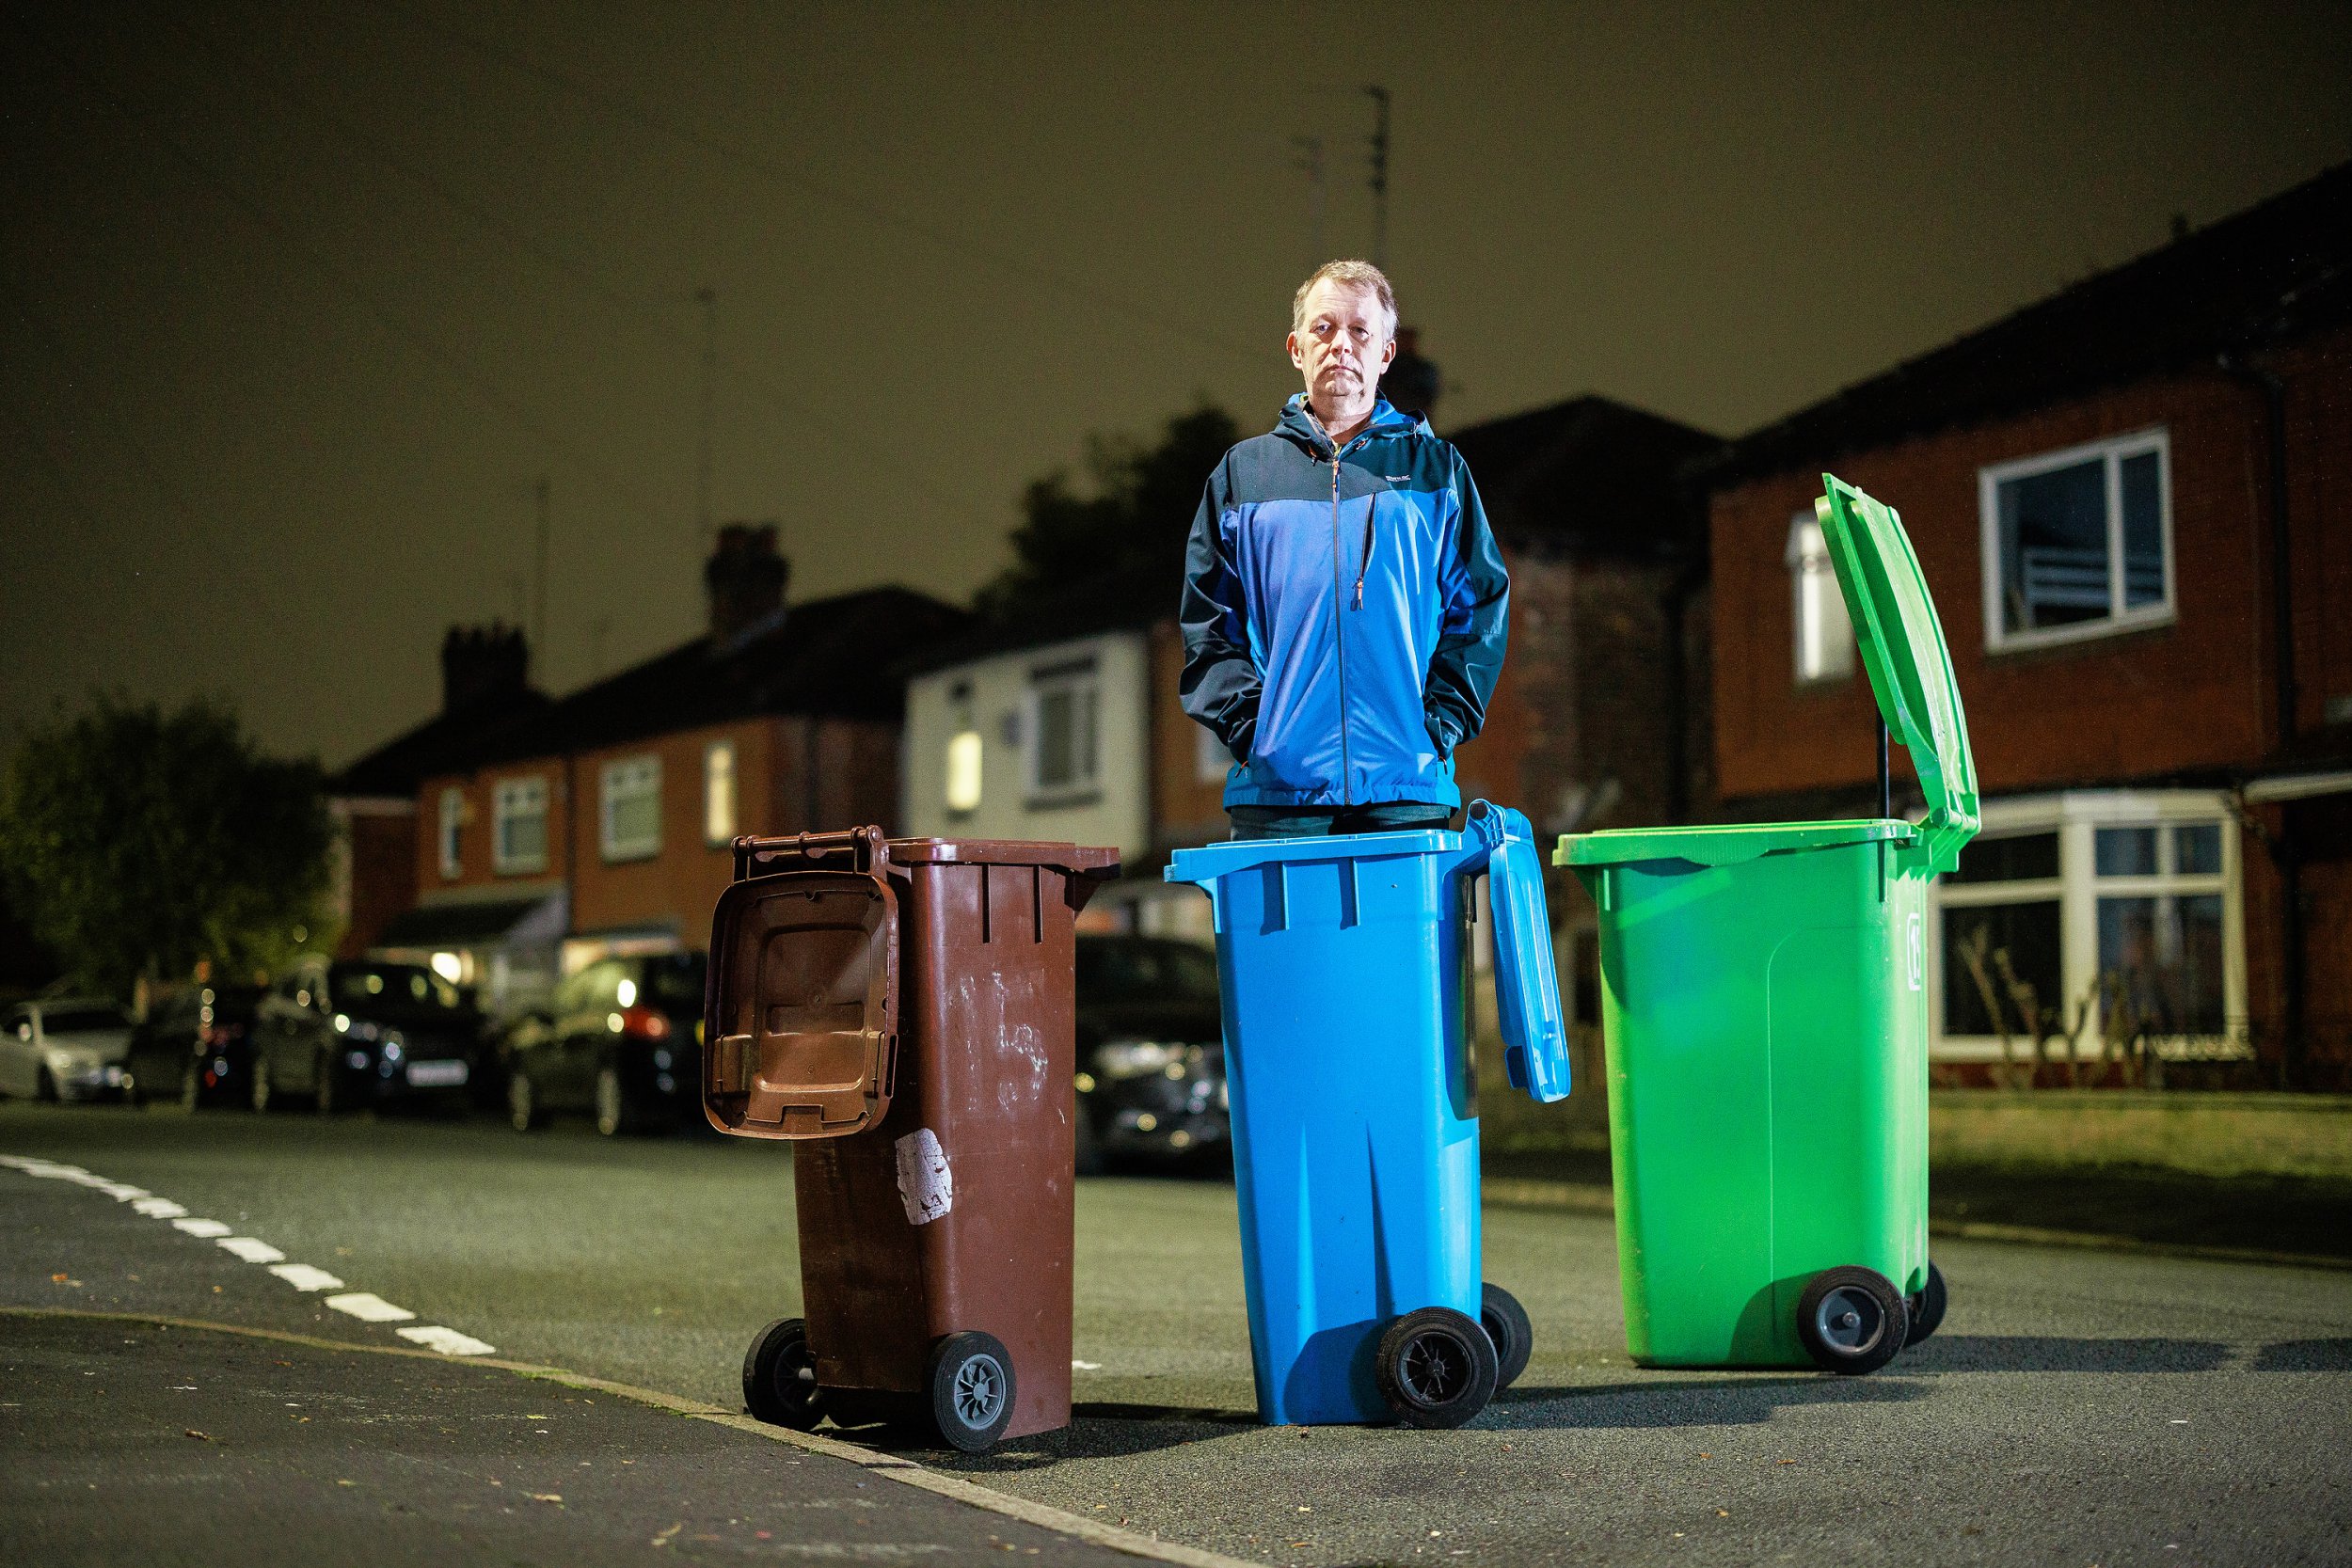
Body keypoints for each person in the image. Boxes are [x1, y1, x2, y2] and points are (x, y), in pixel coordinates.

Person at [1180, 260, 1509, 840]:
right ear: (1294, 347)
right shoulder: (1242, 476)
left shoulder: (1436, 473)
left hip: (1405, 790)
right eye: (1323, 328)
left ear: (1385, 353)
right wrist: (1256, 734)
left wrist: (1437, 724)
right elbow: (1207, 623)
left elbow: (1480, 608)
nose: (1341, 346)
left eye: (1360, 331)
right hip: (1279, 795)